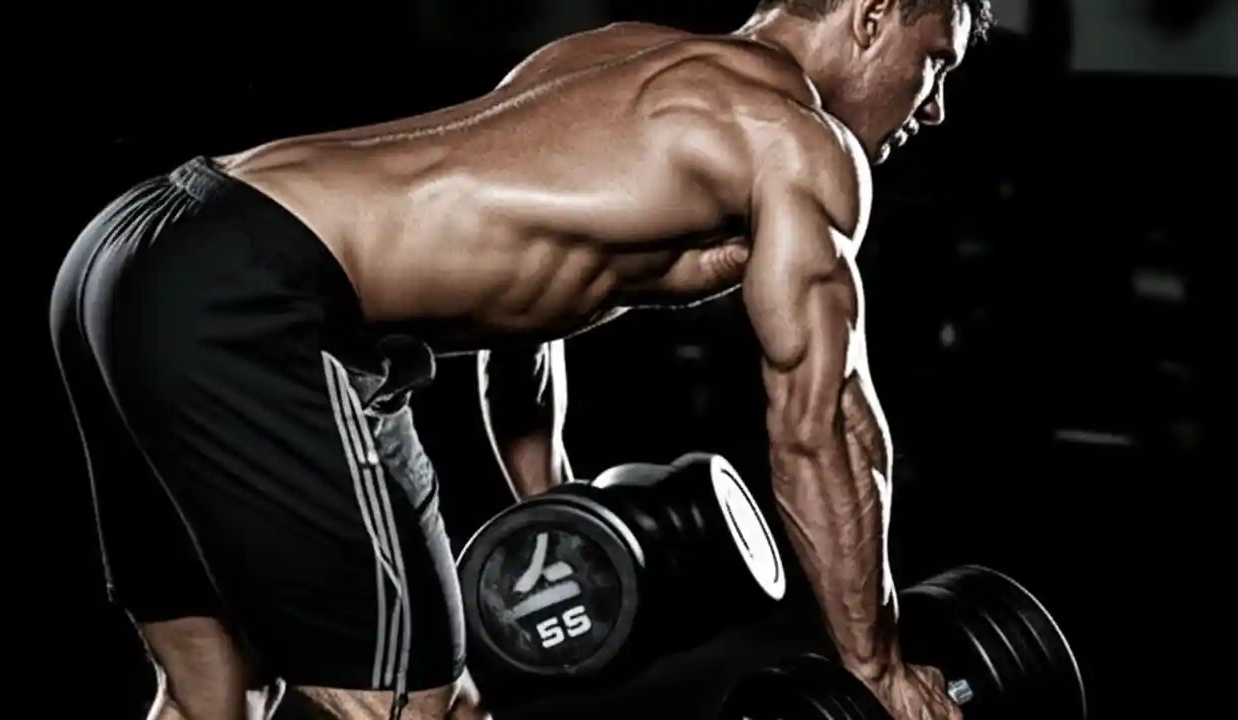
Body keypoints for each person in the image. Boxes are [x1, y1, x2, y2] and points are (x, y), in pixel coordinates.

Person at [48, 1, 994, 718]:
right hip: (267, 302)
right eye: (935, 63)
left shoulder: (609, 56)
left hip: (136, 246)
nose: (937, 106)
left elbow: (515, 295)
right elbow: (825, 425)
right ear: (874, 17)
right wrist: (879, 670)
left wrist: (546, 494)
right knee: (422, 707)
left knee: (213, 692)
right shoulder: (798, 144)